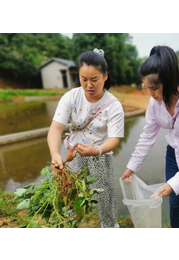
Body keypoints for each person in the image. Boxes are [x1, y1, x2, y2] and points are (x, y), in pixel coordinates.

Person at [121, 46, 179, 228]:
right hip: (173, 155)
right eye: (146, 88)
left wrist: (176, 182)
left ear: (171, 80)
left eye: (154, 88)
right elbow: (147, 135)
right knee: (175, 204)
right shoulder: (155, 102)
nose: (151, 93)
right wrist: (132, 166)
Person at [47, 48, 124, 228]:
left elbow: (114, 139)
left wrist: (96, 150)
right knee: (70, 192)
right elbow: (55, 129)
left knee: (106, 196)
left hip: (100, 154)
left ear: (105, 76)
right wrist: (54, 154)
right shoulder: (71, 97)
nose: (89, 84)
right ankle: (69, 224)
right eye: (84, 79)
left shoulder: (113, 106)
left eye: (94, 79)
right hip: (74, 154)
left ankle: (110, 226)